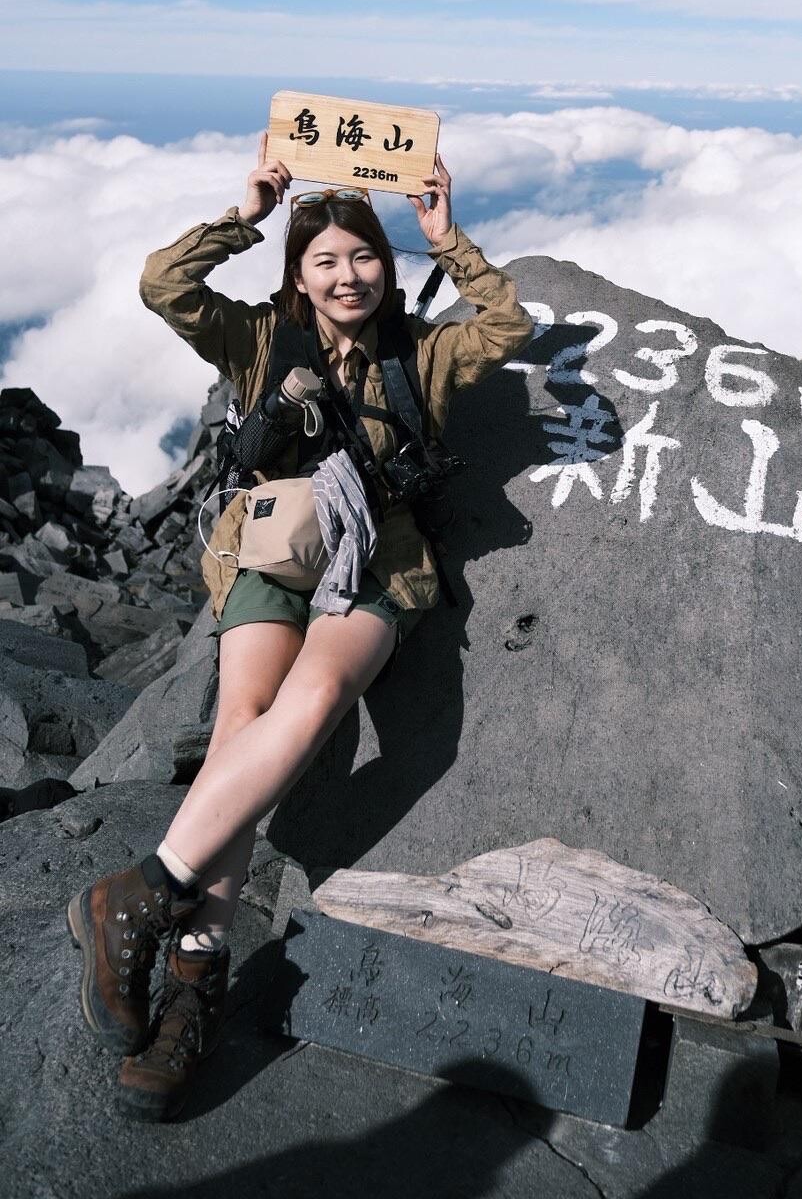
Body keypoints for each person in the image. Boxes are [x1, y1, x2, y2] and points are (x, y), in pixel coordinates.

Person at [66, 134, 533, 1120]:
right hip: (273, 546)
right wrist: (246, 213)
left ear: (384, 263)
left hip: (379, 560)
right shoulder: (258, 340)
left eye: (363, 255)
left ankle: (142, 897)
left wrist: (447, 237)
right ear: (298, 273)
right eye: (323, 259)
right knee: (243, 720)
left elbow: (507, 321)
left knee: (316, 694)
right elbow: (163, 285)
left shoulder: (421, 351)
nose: (348, 274)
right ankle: (196, 973)